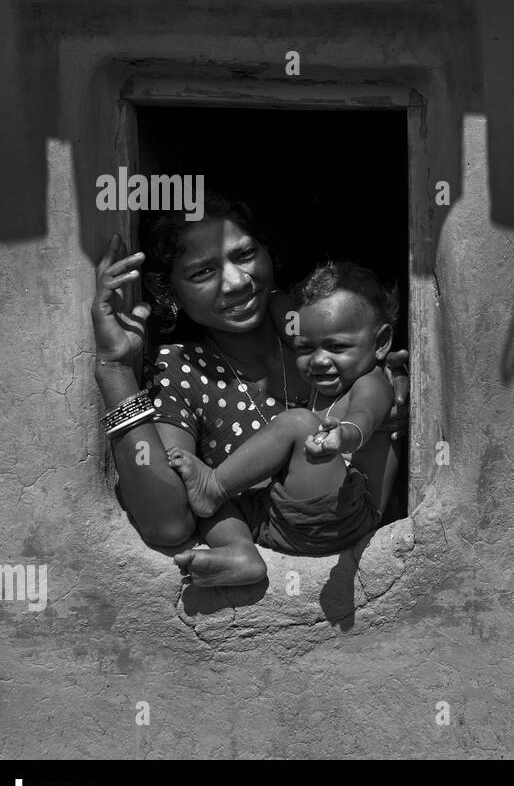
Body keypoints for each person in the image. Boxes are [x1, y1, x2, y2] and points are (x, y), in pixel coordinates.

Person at [90, 193, 409, 586]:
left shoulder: (318, 333)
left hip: (351, 520)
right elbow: (167, 524)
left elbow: (374, 373)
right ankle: (239, 550)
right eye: (202, 273)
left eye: (244, 255)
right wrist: (115, 369)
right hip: (269, 527)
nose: (237, 282)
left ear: (269, 255)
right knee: (199, 483)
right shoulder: (180, 368)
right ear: (167, 292)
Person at [164, 261, 396, 558]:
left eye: (337, 347)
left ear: (381, 343)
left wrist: (343, 437)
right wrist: (266, 290)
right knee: (215, 504)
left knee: (298, 422)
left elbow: (364, 417)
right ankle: (238, 551)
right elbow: (281, 307)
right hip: (290, 517)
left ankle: (215, 485)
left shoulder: (372, 381)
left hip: (348, 517)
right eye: (305, 348)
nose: (320, 360)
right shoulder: (328, 380)